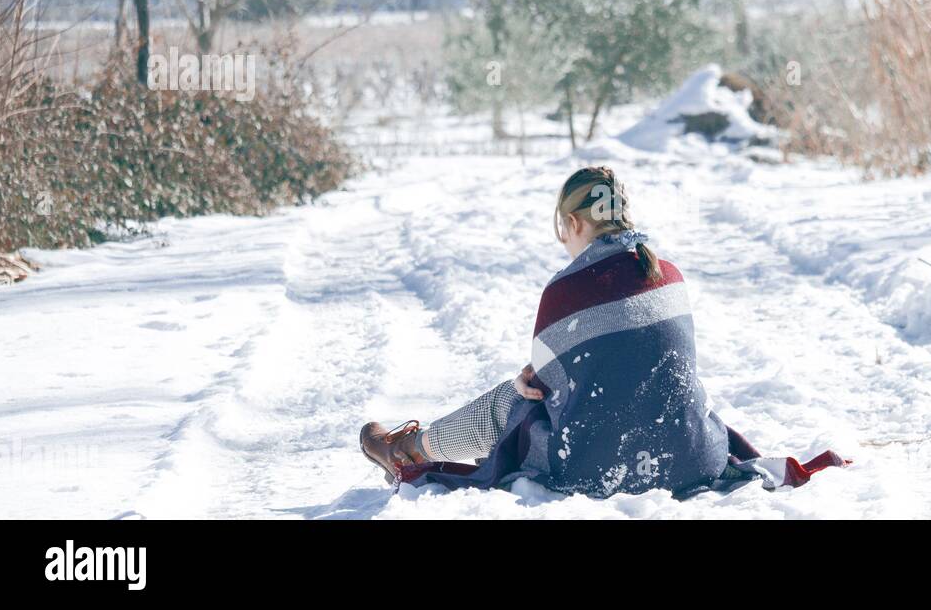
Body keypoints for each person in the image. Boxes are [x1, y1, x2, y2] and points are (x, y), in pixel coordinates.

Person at [359, 166, 846, 498]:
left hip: (596, 470)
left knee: (513, 401)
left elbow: (541, 389)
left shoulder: (564, 290)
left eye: (561, 229)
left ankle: (409, 450)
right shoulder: (669, 273)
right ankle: (411, 446)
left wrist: (529, 381)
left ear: (572, 222)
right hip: (696, 456)